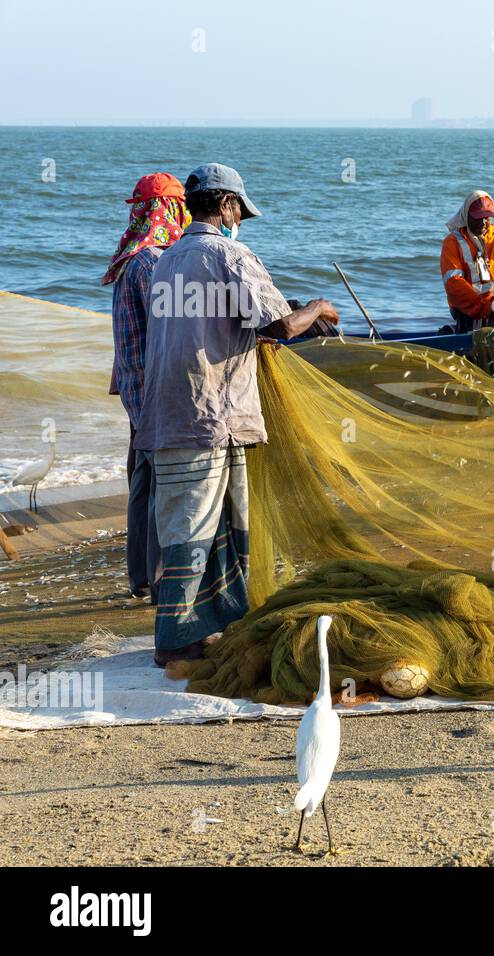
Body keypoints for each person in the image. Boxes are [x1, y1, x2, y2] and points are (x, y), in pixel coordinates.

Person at [136, 163, 339, 666]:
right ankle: (176, 640)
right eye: (240, 213)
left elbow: (216, 322)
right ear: (226, 205)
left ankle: (208, 625)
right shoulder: (230, 253)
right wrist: (318, 308)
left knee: (201, 522)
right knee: (197, 526)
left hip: (166, 414)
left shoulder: (165, 260)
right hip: (209, 415)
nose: (241, 221)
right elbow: (282, 325)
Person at [103, 173, 190, 601]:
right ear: (171, 210)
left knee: (141, 482)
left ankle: (138, 577)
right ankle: (159, 584)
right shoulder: (155, 262)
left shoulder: (129, 259)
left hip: (134, 389)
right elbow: (173, 327)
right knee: (162, 485)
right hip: (155, 391)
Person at [441, 191, 494, 333]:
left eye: (487, 217)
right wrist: (487, 310)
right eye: (478, 218)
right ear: (466, 216)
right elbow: (454, 284)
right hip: (472, 315)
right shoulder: (453, 242)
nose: (483, 223)